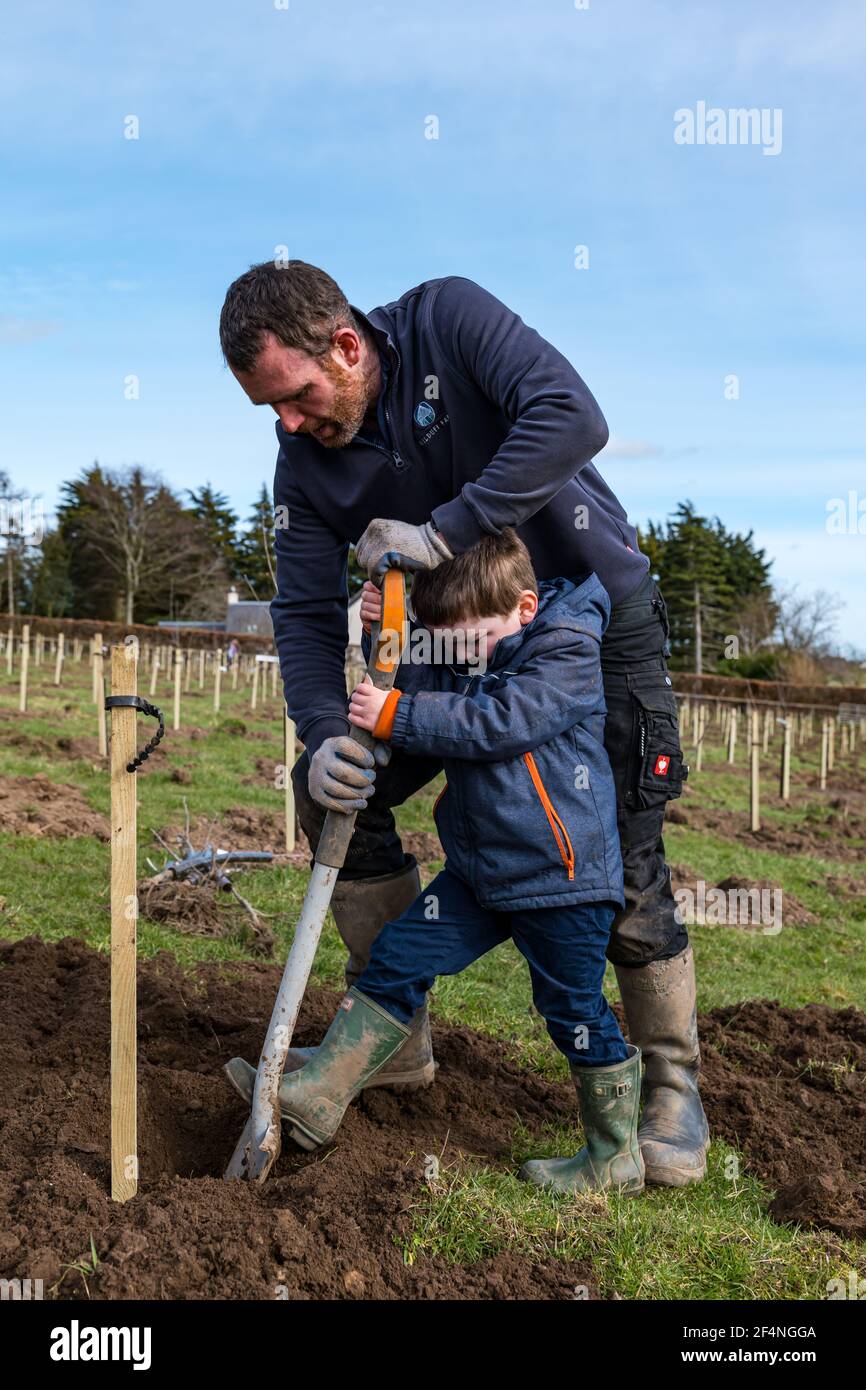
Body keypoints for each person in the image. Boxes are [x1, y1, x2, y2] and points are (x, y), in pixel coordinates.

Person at [220, 260, 708, 1186]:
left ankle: (668, 1088)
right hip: (443, 651)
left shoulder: (451, 319)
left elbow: (574, 416)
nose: (289, 423)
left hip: (581, 623)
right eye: (269, 411)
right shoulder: (304, 458)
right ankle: (391, 1045)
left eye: (298, 395)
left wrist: (445, 531)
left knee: (624, 855)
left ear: (348, 346)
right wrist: (325, 732)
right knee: (338, 793)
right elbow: (301, 610)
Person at [226, 532, 645, 1195]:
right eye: (448, 639)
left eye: (473, 637)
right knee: (399, 956)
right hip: (479, 875)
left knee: (571, 1010)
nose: (464, 651)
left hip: (562, 878)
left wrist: (398, 712)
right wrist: (382, 635)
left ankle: (613, 1154)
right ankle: (321, 1093)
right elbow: (410, 680)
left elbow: (497, 721)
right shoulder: (461, 645)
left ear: (526, 607)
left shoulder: (566, 651)